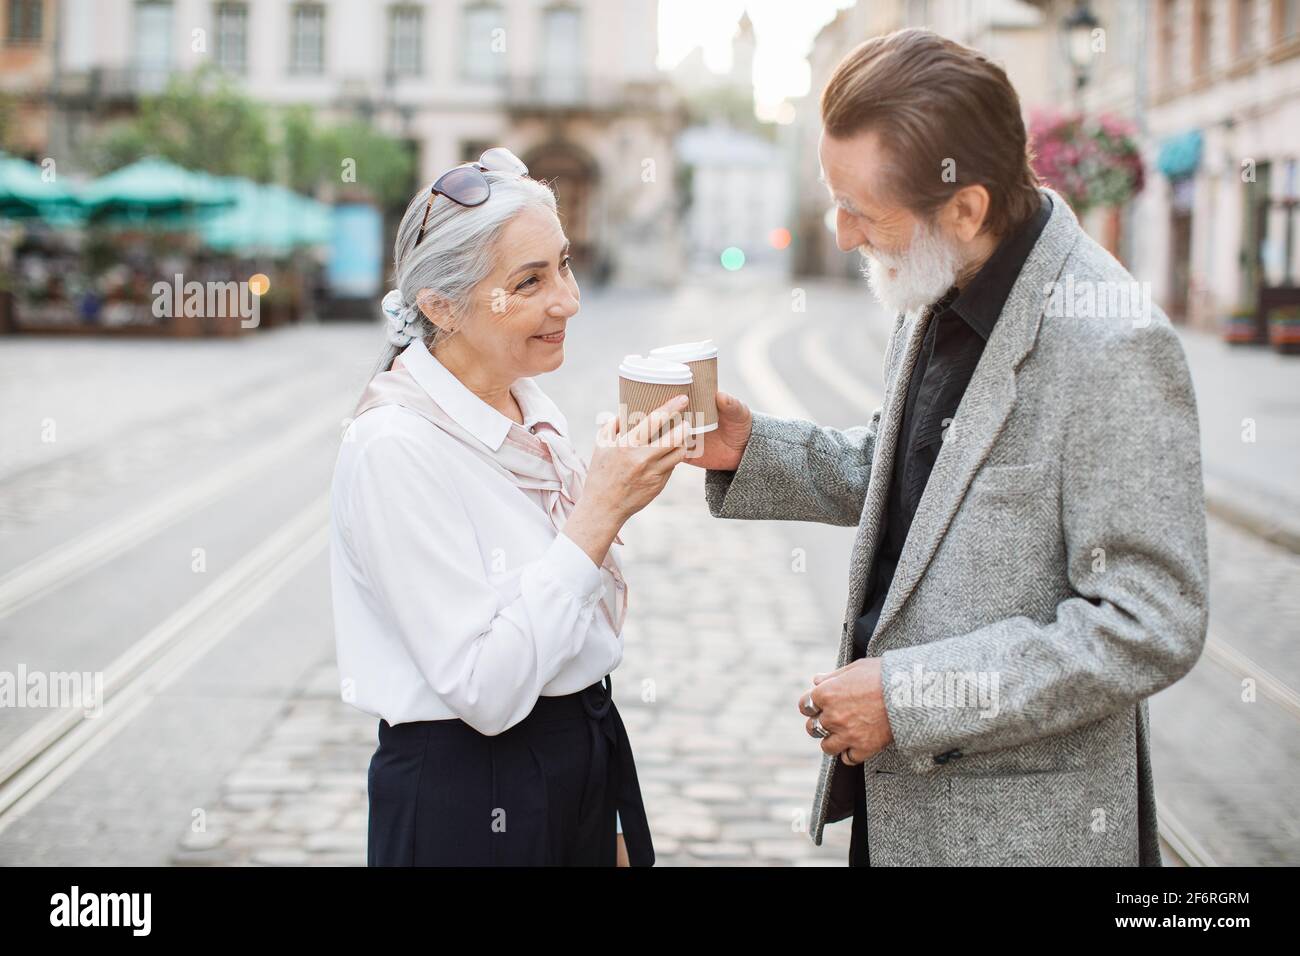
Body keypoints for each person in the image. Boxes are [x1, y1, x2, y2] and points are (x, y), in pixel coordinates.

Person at [687, 29, 1209, 866]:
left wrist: (912, 694)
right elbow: (923, 487)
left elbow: (1152, 623)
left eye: (860, 207)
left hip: (1018, 835)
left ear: (964, 206)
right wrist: (752, 448)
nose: (843, 232)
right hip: (900, 813)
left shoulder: (1114, 345)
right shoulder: (936, 280)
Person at [330, 147, 689, 866]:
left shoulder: (528, 407)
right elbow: (486, 690)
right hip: (470, 791)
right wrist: (597, 514)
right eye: (529, 282)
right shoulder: (395, 446)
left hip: (583, 746)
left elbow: (571, 627)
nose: (568, 299)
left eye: (563, 264)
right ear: (440, 305)